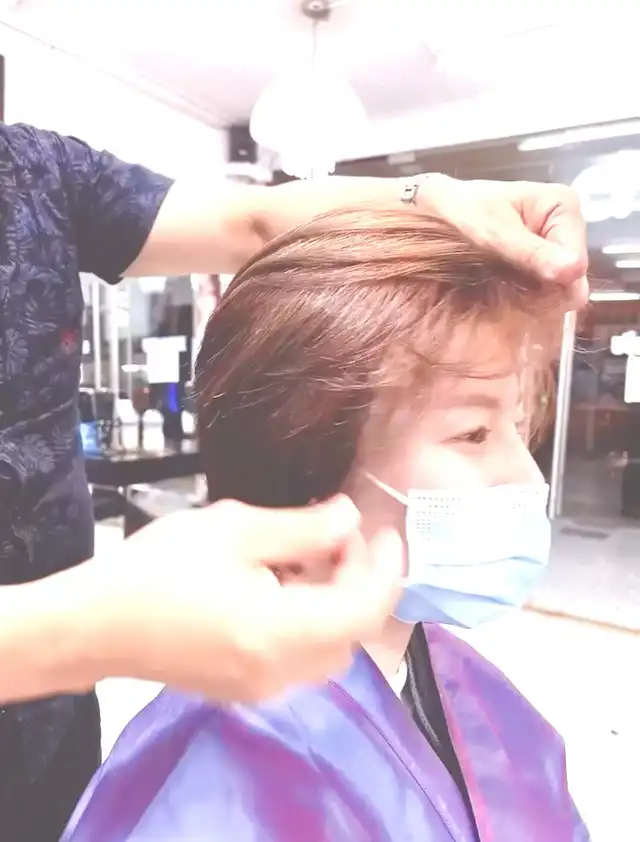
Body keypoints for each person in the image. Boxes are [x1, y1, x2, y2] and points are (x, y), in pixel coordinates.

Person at [0, 121, 587, 840]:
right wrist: (79, 631)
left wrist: (429, 198)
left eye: (518, 427)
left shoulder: (33, 169)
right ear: (308, 455)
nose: (527, 478)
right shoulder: (222, 784)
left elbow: (252, 221)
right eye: (473, 433)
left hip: (51, 733)